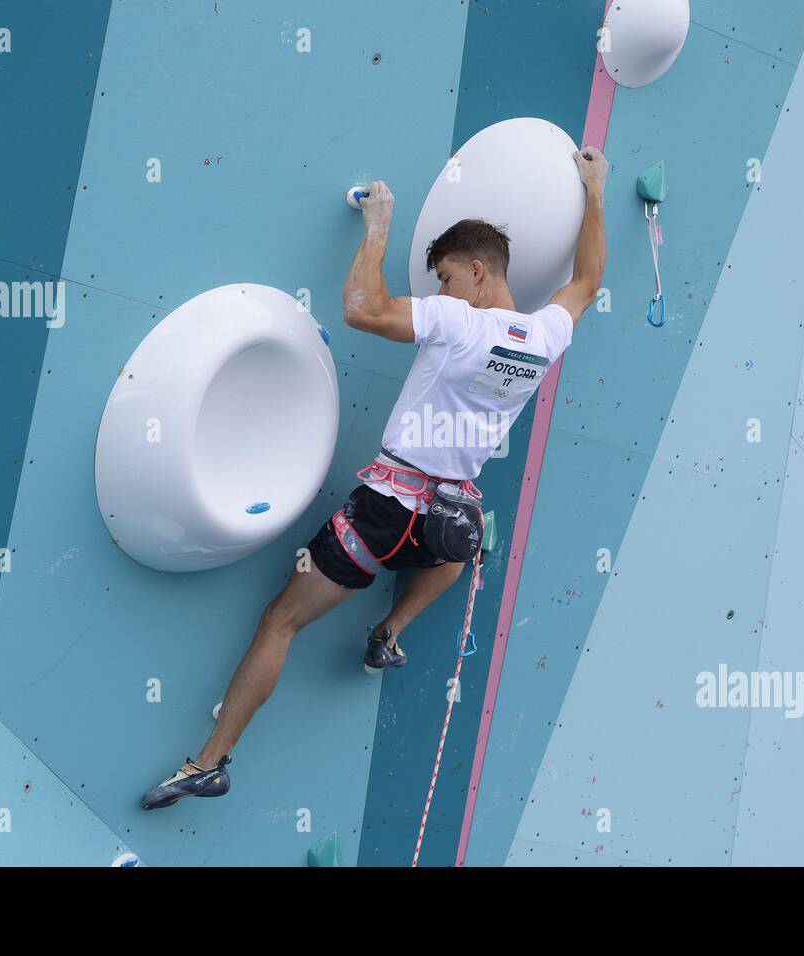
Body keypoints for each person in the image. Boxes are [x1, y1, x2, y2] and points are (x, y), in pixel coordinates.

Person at [141, 146, 609, 810]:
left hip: (385, 513)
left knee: (279, 623)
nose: (440, 291)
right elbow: (588, 281)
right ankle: (390, 633)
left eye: (445, 277)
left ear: (478, 273)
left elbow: (363, 308)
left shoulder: (458, 321)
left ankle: (210, 762)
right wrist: (595, 190)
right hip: (448, 522)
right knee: (464, 544)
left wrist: (379, 225)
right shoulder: (541, 338)